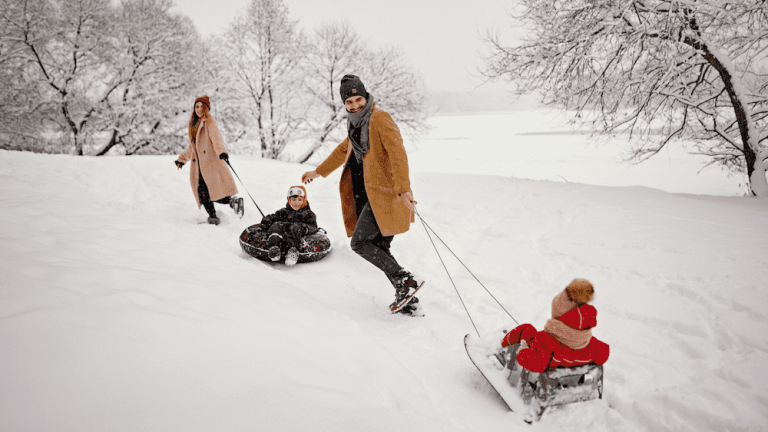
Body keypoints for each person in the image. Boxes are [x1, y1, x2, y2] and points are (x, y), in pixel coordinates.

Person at [301, 74, 424, 316]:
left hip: (386, 195)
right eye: (349, 102)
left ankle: (405, 281)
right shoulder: (356, 124)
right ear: (344, 104)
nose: (355, 105)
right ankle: (407, 298)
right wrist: (317, 172)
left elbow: (398, 154)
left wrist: (404, 189)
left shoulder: (379, 119)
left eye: (358, 99)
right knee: (378, 246)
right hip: (368, 196)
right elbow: (343, 150)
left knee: (359, 243)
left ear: (366, 97)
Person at [500, 279, 610, 374]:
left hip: (542, 354)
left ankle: (501, 349)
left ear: (559, 318)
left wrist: (522, 351)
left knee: (526, 329)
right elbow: (604, 353)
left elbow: (536, 364)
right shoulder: (592, 345)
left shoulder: (544, 340)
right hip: (558, 357)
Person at [176, 95, 243, 225]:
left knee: (210, 192)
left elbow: (216, 139)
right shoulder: (194, 125)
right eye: (197, 106)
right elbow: (192, 147)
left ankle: (217, 213)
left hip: (210, 164)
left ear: (207, 108)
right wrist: (182, 159)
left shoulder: (209, 122)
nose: (199, 109)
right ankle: (225, 207)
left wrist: (222, 152)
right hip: (199, 167)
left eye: (202, 106)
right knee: (205, 193)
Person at [256, 185, 318, 266]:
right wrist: (266, 221)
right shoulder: (284, 212)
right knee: (276, 225)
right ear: (288, 200)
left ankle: (293, 251)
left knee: (294, 227)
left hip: (296, 234)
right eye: (293, 199)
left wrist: (305, 228)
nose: (296, 202)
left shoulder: (308, 214)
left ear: (304, 200)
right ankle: (274, 248)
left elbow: (313, 226)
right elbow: (273, 217)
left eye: (299, 199)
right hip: (282, 232)